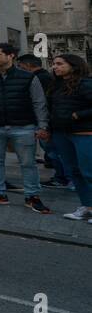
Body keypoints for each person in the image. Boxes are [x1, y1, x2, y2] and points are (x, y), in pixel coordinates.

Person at [0, 42, 51, 212]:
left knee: (28, 163)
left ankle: (32, 196)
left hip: (23, 126)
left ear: (11, 56)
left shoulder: (28, 77)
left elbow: (39, 103)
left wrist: (42, 126)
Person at [45, 54, 92, 220]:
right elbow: (52, 110)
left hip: (84, 134)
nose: (55, 67)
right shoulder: (56, 85)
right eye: (54, 64)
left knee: (89, 172)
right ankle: (86, 206)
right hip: (61, 133)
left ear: (73, 65)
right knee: (74, 171)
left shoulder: (86, 83)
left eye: (59, 64)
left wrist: (77, 115)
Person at [17, 53, 70, 188]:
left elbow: (41, 102)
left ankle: (63, 178)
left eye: (20, 66)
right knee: (55, 151)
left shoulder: (38, 78)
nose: (55, 67)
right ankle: (64, 177)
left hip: (47, 121)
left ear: (28, 65)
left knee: (55, 151)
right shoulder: (49, 77)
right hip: (49, 121)